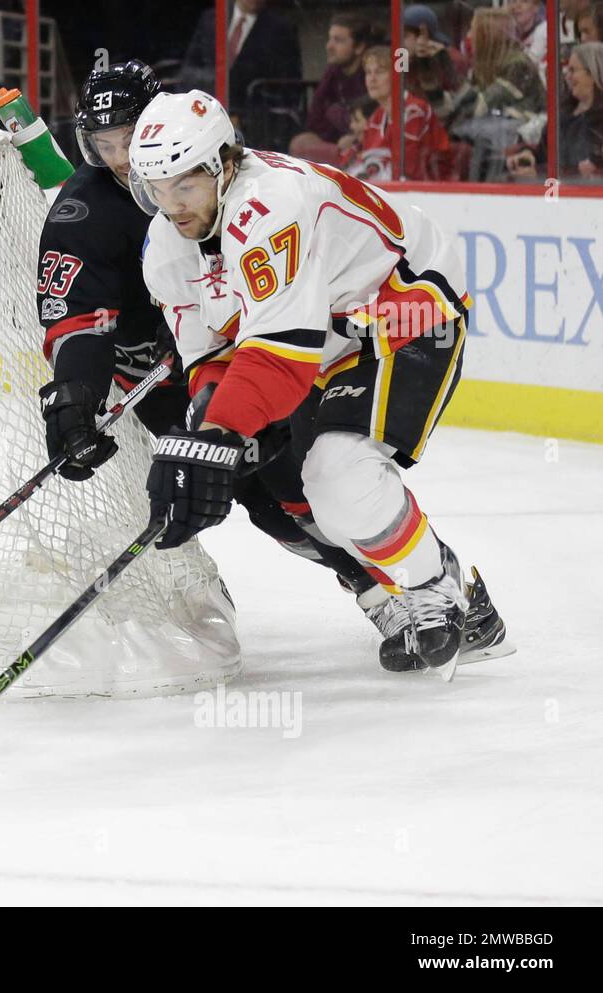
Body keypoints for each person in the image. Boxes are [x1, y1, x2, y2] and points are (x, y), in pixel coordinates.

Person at [129, 90, 511, 675]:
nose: (171, 205)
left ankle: (446, 594)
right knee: (294, 497)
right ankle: (403, 591)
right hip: (322, 340)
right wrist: (207, 435)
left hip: (403, 313)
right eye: (156, 188)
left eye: (184, 185)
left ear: (224, 165)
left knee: (340, 473)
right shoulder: (165, 247)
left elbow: (281, 362)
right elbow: (211, 357)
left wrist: (214, 437)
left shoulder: (271, 205)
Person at [40, 61, 395, 647]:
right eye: (105, 145)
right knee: (259, 499)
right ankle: (367, 582)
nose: (124, 158)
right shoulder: (86, 209)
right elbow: (79, 313)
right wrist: (74, 397)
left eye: (130, 138)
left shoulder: (231, 184)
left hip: (247, 354)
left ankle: (390, 585)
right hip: (164, 376)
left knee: (299, 477)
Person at [446, 6, 546, 180]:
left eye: (473, 30)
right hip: (495, 132)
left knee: (464, 135)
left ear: (488, 35)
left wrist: (454, 88)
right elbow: (458, 107)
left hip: (524, 133)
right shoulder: (483, 65)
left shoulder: (518, 64)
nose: (469, 36)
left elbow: (479, 106)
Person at [178, 0, 301, 110]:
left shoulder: (281, 30)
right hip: (204, 108)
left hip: (252, 118)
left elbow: (287, 89)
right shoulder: (210, 19)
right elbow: (189, 68)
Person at [506, 41, 603, 179]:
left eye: (573, 70)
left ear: (593, 73)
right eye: (567, 70)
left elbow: (587, 170)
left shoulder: (599, 123)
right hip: (552, 194)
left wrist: (540, 174)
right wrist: (527, 155)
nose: (567, 76)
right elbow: (545, 154)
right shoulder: (563, 114)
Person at [353, 45, 450, 181]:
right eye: (368, 72)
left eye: (379, 72)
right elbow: (365, 161)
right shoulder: (376, 118)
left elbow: (407, 169)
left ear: (397, 76)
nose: (372, 79)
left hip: (431, 193)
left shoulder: (415, 112)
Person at [289, 15, 372, 165]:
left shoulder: (371, 73)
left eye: (338, 40)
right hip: (337, 143)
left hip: (365, 145)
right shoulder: (333, 71)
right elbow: (314, 120)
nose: (329, 46)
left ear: (359, 47)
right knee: (300, 142)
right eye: (330, 39)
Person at [403, 3, 462, 115]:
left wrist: (434, 63)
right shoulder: (406, 58)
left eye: (404, 36)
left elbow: (458, 98)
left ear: (423, 35)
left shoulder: (451, 58)